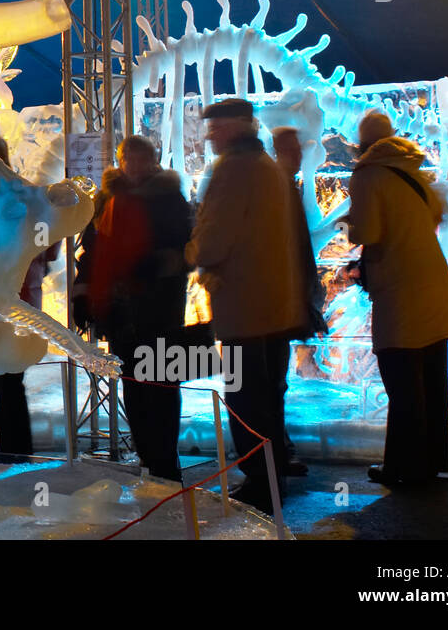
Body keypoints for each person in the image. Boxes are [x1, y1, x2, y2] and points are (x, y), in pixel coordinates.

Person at [185, 99, 304, 513]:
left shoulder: (234, 169)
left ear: (238, 125)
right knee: (267, 394)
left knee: (245, 397)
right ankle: (272, 476)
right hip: (272, 305)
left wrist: (189, 251)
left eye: (216, 126)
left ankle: (260, 483)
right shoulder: (267, 166)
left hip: (243, 306)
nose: (210, 134)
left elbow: (215, 237)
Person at [345, 111, 448, 486]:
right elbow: (434, 216)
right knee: (429, 378)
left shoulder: (367, 175)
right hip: (433, 283)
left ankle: (406, 469)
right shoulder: (413, 171)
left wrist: (346, 223)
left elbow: (368, 230)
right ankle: (427, 462)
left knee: (401, 379)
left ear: (363, 143)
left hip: (400, 289)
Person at [86, 135, 192, 481]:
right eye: (128, 159)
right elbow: (93, 249)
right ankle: (148, 457)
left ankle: (164, 459)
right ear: (120, 161)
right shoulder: (108, 199)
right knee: (133, 384)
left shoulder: (169, 198)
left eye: (140, 160)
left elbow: (186, 248)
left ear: (152, 161)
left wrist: (157, 265)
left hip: (159, 309)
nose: (134, 166)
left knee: (161, 383)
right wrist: (88, 295)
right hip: (122, 310)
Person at [0, 135, 53, 459]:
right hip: (21, 300)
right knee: (9, 381)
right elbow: (48, 248)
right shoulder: (26, 198)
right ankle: (14, 450)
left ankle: (3, 451)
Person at [271, 127, 328, 477]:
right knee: (267, 385)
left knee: (273, 384)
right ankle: (274, 457)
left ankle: (278, 453)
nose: (298, 156)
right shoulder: (276, 186)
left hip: (280, 303)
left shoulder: (284, 185)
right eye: (292, 149)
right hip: (272, 304)